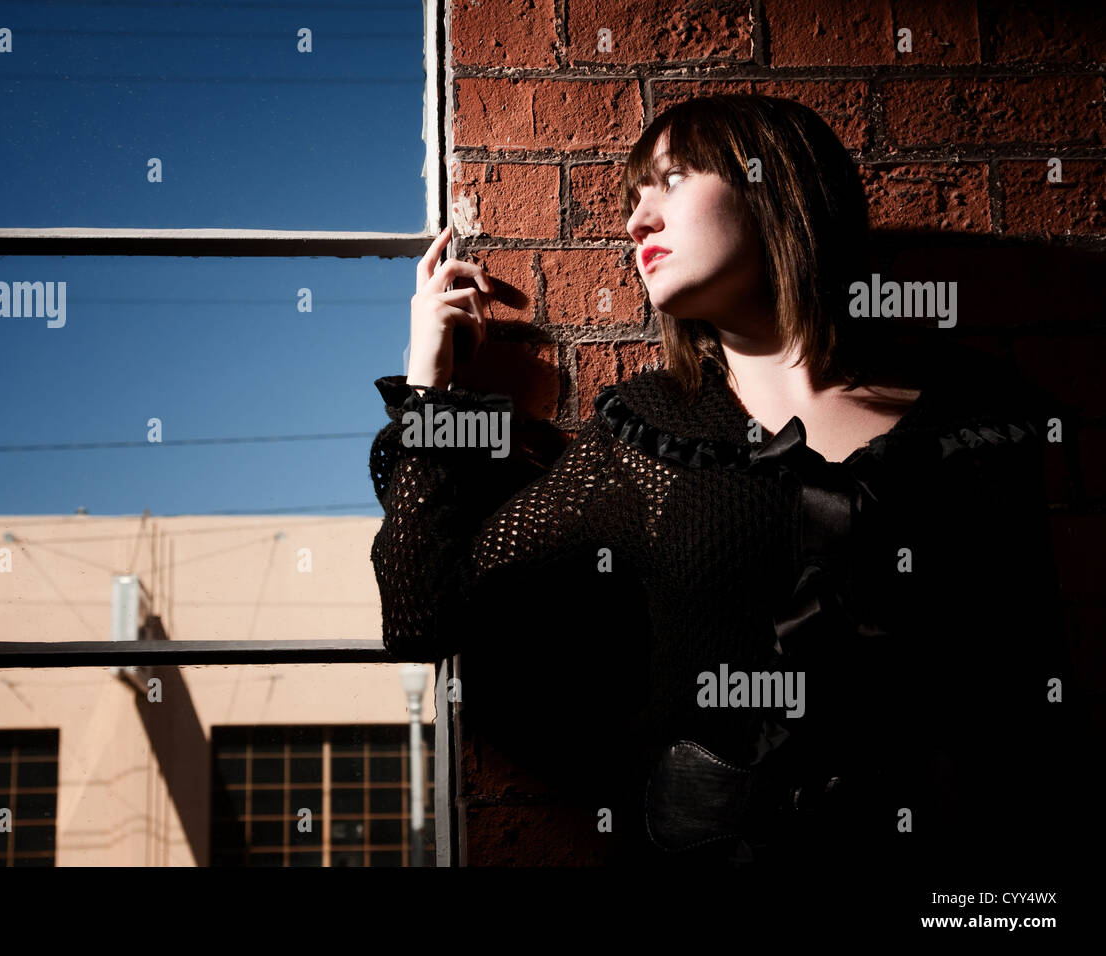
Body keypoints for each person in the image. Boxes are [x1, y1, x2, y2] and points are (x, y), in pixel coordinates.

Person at [369, 95, 1085, 876]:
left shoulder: (970, 424)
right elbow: (423, 613)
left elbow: (1028, 713)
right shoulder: (644, 436)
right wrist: (429, 381)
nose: (638, 220)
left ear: (773, 183)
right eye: (631, 200)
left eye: (670, 181)